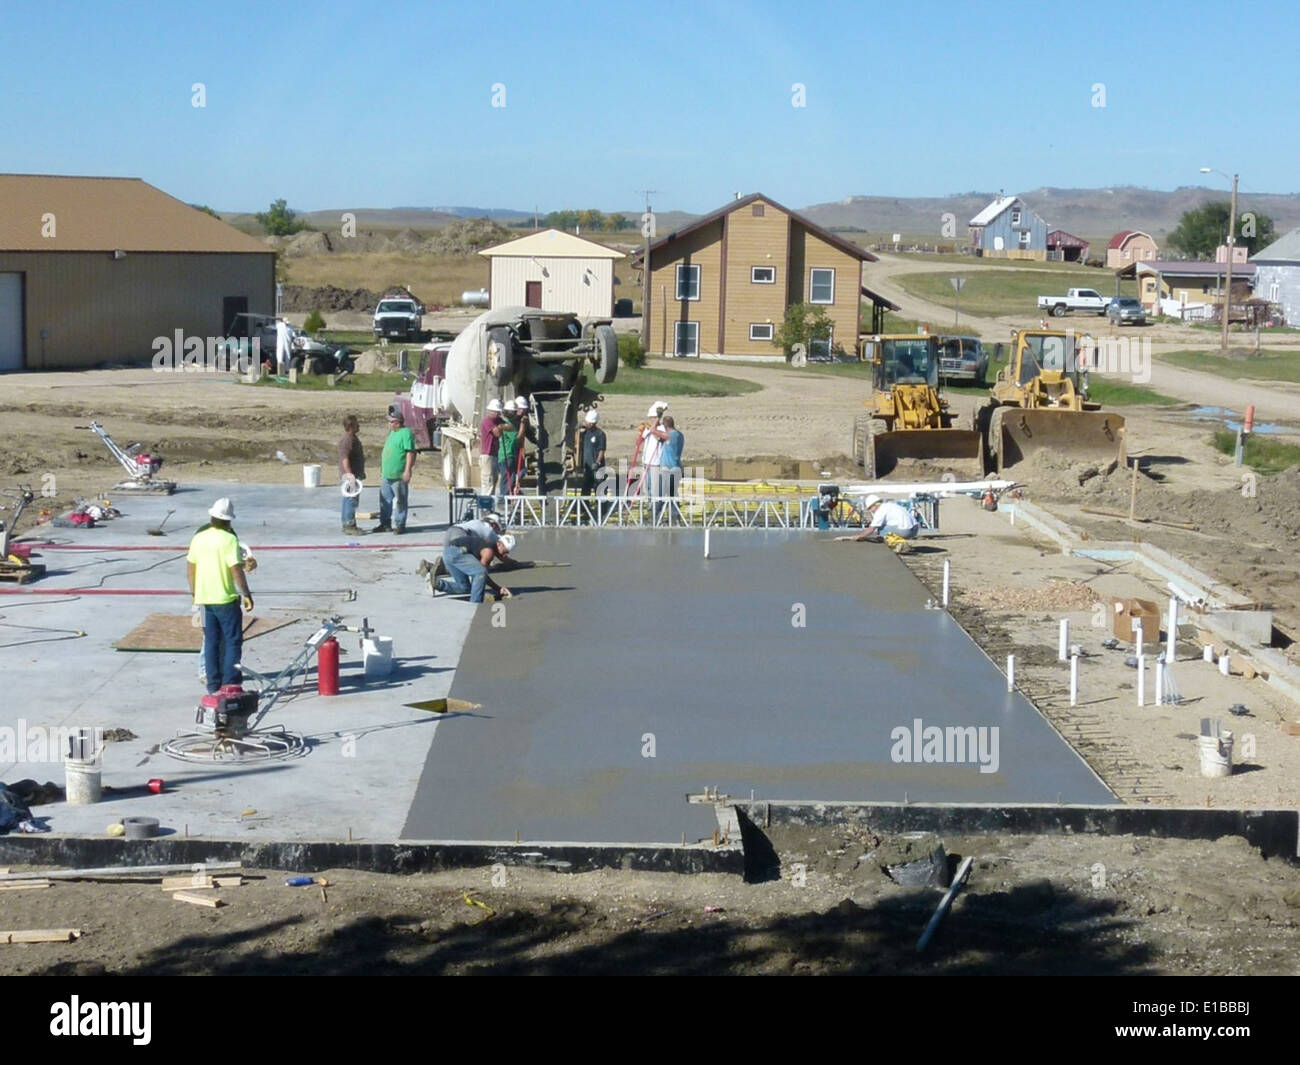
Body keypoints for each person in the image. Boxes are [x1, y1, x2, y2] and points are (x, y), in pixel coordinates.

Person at [187, 497, 253, 694]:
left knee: (211, 642)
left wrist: (195, 595)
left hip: (204, 602)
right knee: (233, 641)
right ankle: (231, 683)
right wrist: (247, 594)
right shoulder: (229, 539)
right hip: (226, 601)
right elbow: (236, 571)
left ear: (212, 516)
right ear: (229, 520)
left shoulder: (198, 538)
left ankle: (213, 685)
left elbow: (190, 569)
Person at [432, 514, 514, 603]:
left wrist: (497, 588)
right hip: (456, 552)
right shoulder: (488, 551)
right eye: (505, 551)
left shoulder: (484, 544)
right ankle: (475, 603)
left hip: (448, 552)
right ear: (499, 544)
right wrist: (498, 588)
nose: (504, 555)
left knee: (465, 588)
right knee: (480, 573)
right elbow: (482, 574)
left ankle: (437, 583)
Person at [376, 406, 416, 534]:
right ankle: (385, 523)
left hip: (398, 475)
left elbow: (410, 453)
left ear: (398, 422)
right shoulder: (392, 433)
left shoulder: (406, 433)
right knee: (385, 499)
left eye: (391, 421)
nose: (389, 424)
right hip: (387, 474)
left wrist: (407, 471)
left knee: (400, 500)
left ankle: (400, 524)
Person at [648, 414, 684, 520]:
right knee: (672, 494)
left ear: (665, 426)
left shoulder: (670, 435)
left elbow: (652, 430)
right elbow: (659, 438)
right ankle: (675, 517)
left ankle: (655, 518)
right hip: (677, 469)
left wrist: (657, 418)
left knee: (661, 495)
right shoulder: (679, 435)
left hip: (668, 470)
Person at [846, 494, 919, 543]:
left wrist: (860, 536)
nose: (871, 511)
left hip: (906, 531)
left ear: (875, 505)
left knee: (881, 530)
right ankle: (898, 540)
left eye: (870, 508)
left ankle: (895, 543)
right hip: (914, 529)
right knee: (883, 526)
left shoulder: (880, 510)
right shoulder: (889, 505)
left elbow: (872, 528)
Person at [339, 414, 366, 535]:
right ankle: (349, 524)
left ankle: (349, 522)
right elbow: (345, 459)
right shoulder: (348, 440)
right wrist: (350, 474)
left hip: (354, 474)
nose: (359, 425)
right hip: (350, 476)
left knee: (350, 499)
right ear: (351, 426)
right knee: (350, 499)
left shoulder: (352, 438)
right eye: (356, 424)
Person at [635, 401, 668, 497]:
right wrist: (640, 433)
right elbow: (639, 442)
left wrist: (652, 429)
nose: (650, 420)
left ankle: (655, 507)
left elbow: (659, 438)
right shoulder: (647, 429)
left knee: (655, 488)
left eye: (652, 418)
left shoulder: (661, 428)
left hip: (655, 463)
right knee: (646, 488)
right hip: (646, 461)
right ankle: (649, 505)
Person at [578, 409, 607, 497]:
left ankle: (601, 509)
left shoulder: (600, 434)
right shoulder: (585, 433)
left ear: (592, 423)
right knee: (585, 488)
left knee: (599, 488)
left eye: (587, 422)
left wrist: (597, 462)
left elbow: (602, 450)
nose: (585, 423)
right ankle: (584, 508)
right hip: (587, 467)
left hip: (597, 467)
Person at [479, 399, 504, 496]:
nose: (498, 414)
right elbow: (497, 433)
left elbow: (509, 426)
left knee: (494, 480)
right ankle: (485, 507)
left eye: (499, 412)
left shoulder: (498, 421)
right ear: (490, 411)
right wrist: (502, 426)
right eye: (496, 412)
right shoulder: (487, 421)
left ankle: (490, 507)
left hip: (495, 454)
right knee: (488, 482)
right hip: (487, 455)